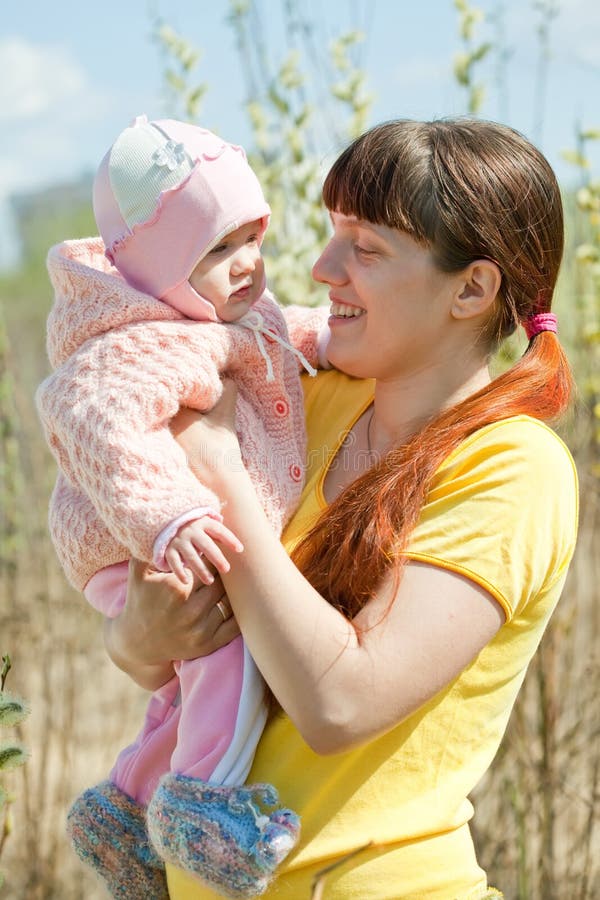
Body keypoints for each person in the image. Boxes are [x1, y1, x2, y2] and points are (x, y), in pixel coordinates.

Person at [109, 117, 579, 900]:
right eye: (333, 238)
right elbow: (185, 650)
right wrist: (133, 638)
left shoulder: (513, 468)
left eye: (367, 250)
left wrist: (221, 466)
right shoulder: (302, 402)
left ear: (472, 288)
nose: (324, 270)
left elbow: (338, 702)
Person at [36, 116, 331, 899]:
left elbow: (277, 331)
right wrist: (167, 515)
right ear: (161, 269)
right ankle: (209, 806)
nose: (249, 268)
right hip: (137, 537)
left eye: (252, 237)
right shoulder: (139, 342)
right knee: (230, 659)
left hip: (168, 533)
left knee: (188, 681)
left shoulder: (210, 312)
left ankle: (129, 806)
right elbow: (92, 414)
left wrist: (331, 338)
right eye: (218, 251)